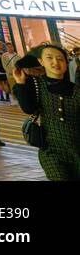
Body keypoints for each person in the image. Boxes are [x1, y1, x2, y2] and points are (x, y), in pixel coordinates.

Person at [12, 43, 80, 181]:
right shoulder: (37, 84)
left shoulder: (76, 90)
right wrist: (20, 84)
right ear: (41, 61)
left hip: (77, 150)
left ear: (66, 64)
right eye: (49, 58)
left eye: (60, 59)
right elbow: (28, 108)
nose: (56, 62)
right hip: (51, 151)